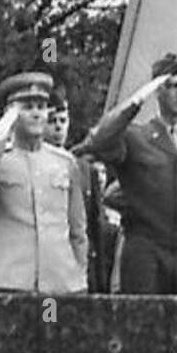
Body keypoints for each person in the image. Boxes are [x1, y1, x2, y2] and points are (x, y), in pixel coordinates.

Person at [74, 54, 177, 296]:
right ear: (157, 91)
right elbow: (98, 141)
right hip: (146, 256)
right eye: (171, 86)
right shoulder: (135, 138)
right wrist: (139, 98)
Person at [0, 72, 87, 294]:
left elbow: (78, 229)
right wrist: (0, 132)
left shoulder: (65, 163)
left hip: (59, 283)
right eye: (27, 108)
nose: (36, 113)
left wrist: (79, 275)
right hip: (5, 280)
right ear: (11, 114)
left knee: (54, 329)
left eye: (41, 106)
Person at [47, 89, 111, 292]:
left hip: (79, 261)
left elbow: (95, 223)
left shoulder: (83, 169)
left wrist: (99, 276)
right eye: (52, 121)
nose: (58, 127)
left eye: (63, 121)